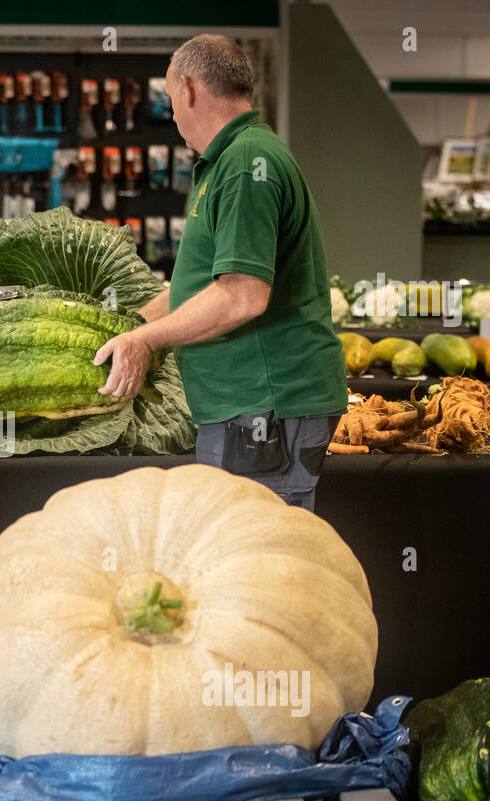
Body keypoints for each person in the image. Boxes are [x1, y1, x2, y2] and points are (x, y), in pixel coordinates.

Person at [94, 35, 346, 511]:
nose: (170, 113)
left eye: (170, 98)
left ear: (188, 89)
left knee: (257, 563)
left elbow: (242, 295)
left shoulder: (248, 165)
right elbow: (201, 288)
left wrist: (147, 342)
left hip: (265, 407)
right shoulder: (231, 159)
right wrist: (127, 326)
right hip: (247, 408)